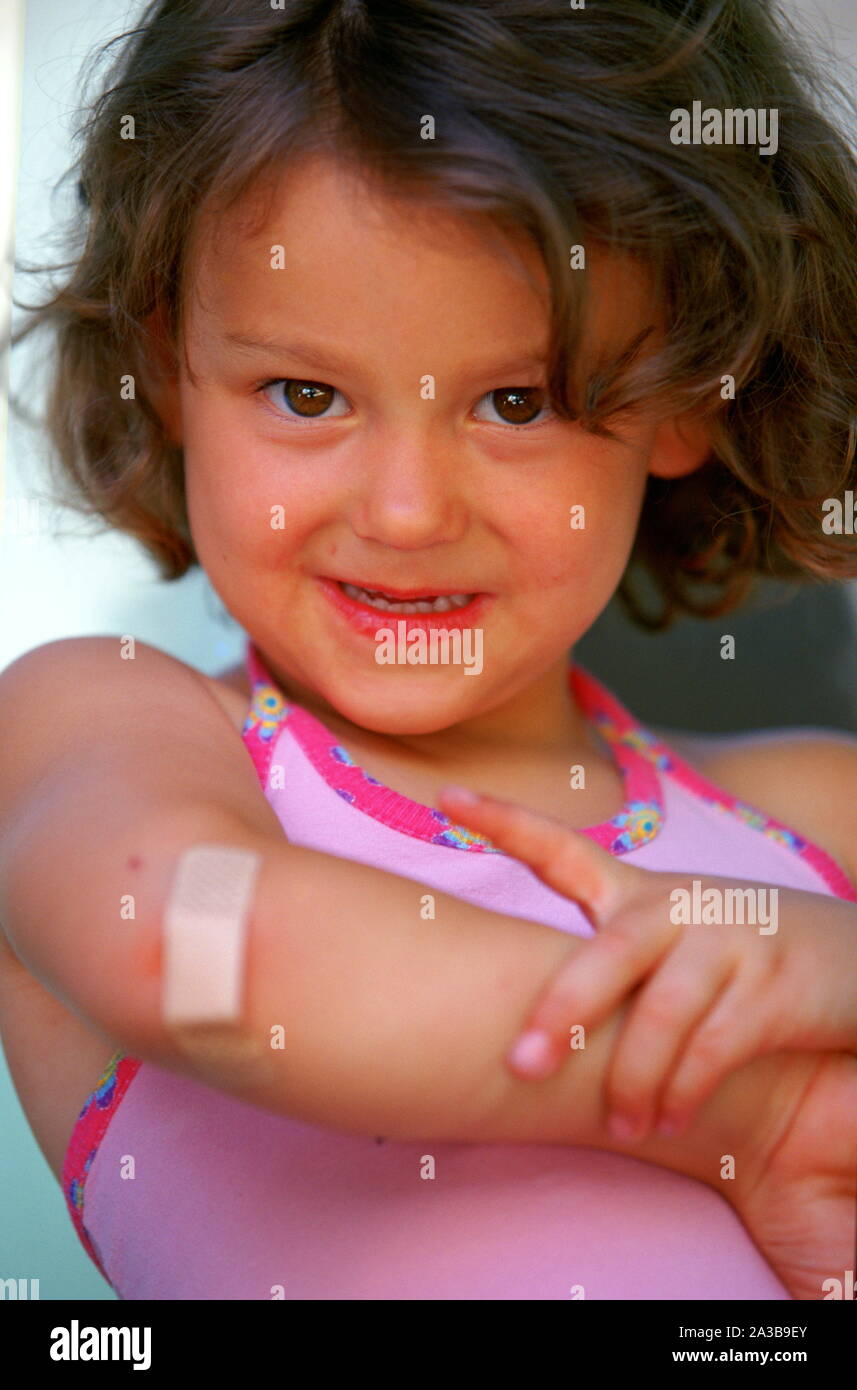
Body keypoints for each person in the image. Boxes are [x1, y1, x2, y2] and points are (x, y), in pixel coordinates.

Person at [2, 0, 856, 1300]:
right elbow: (197, 949)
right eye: (305, 394)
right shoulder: (105, 729)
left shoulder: (810, 819)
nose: (405, 511)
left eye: (514, 401)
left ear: (689, 388)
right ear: (162, 366)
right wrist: (744, 1101)